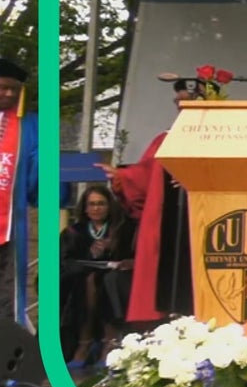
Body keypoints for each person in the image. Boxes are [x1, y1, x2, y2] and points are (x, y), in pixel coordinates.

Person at [98, 72, 227, 323]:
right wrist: (123, 177)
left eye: (185, 101)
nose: (180, 107)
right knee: (169, 283)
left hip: (212, 220)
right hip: (172, 224)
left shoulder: (225, 138)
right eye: (177, 102)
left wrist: (199, 176)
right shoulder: (166, 139)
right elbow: (145, 175)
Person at [0, 58, 69, 327]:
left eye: (14, 90)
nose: (8, 94)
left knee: (7, 292)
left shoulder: (30, 125)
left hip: (9, 228)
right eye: (3, 88)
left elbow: (42, 165)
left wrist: (52, 193)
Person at [59, 184, 135, 369]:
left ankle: (107, 342)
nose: (96, 208)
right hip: (82, 278)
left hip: (116, 277)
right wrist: (90, 254)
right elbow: (64, 261)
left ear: (109, 206)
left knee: (105, 282)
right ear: (85, 208)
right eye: (91, 204)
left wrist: (116, 252)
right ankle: (85, 341)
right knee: (88, 281)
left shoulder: (122, 229)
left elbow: (135, 256)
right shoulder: (74, 232)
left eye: (101, 204)